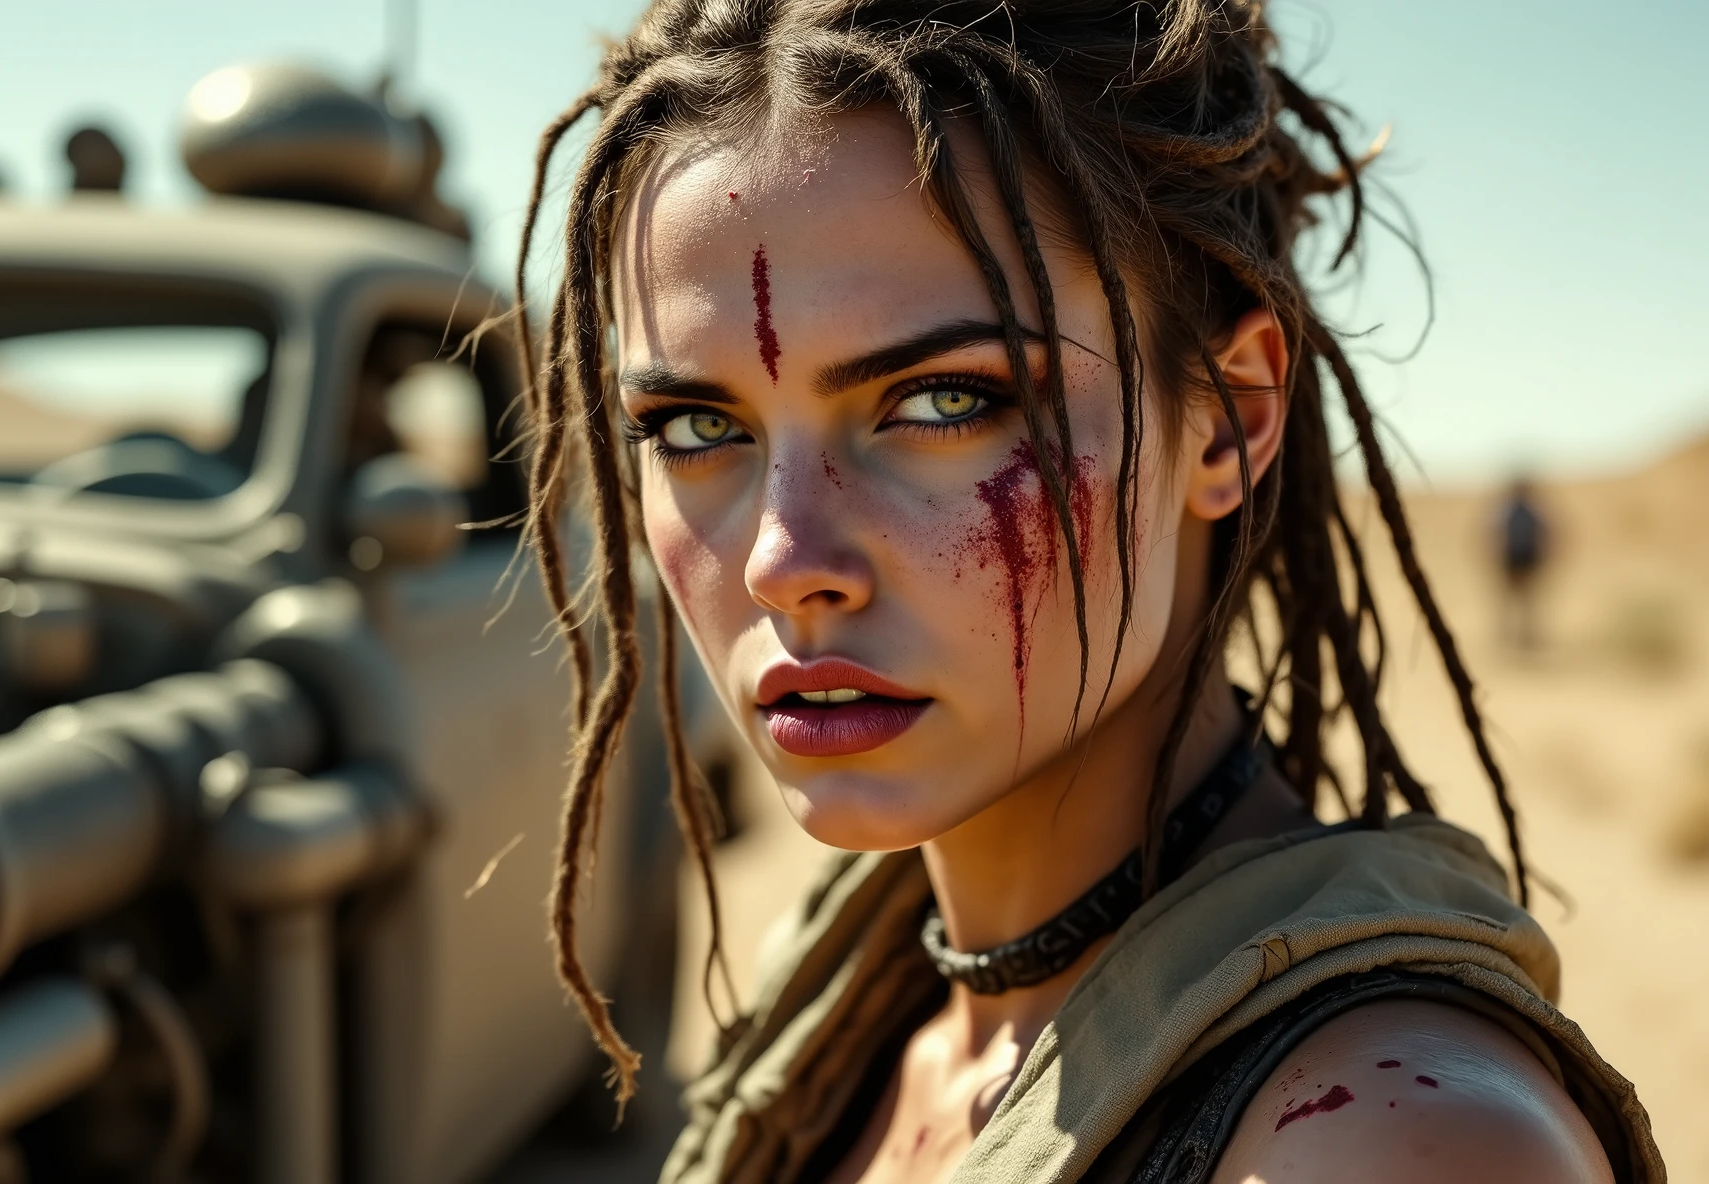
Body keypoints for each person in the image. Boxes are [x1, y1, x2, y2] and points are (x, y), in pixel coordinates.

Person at [514, 3, 1661, 1182]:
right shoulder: (851, 999)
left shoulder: (1383, 1138)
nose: (780, 558)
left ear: (1225, 416)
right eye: (692, 426)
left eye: (944, 401)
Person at [1501, 473, 1551, 652]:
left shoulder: (1517, 512)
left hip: (1524, 560)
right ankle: (1517, 637)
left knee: (1525, 600)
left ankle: (1525, 637)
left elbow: (1544, 535)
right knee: (1517, 600)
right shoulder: (1510, 512)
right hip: (1514, 560)